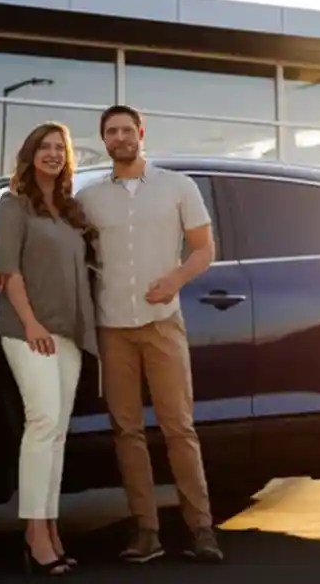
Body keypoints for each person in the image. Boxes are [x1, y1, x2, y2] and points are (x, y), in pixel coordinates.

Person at [74, 104, 224, 564]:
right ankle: (146, 531)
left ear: (141, 133)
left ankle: (201, 529)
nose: (119, 138)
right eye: (111, 132)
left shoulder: (178, 187)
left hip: (163, 324)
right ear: (104, 140)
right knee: (127, 431)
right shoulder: (89, 199)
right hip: (113, 327)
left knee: (179, 427)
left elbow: (204, 249)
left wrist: (175, 280)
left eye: (126, 130)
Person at [0, 121, 99, 576]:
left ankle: (51, 528)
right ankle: (34, 533)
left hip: (70, 332)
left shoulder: (71, 212)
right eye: (45, 147)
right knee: (41, 424)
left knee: (56, 432)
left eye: (60, 148)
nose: (53, 153)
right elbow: (9, 271)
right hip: (27, 330)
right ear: (30, 154)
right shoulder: (13, 205)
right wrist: (31, 322)